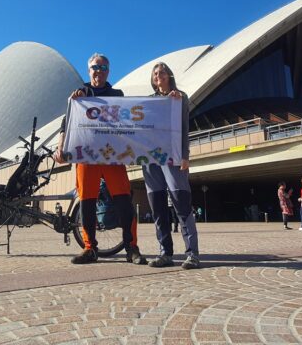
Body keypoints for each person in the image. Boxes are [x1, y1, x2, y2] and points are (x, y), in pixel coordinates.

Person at [55, 53, 147, 265]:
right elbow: (65, 124)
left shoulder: (117, 94)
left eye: (103, 67)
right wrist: (60, 149)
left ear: (108, 70)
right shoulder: (80, 95)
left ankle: (131, 247)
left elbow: (128, 124)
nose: (99, 71)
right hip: (87, 159)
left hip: (112, 157)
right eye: (95, 67)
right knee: (87, 203)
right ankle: (90, 248)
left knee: (124, 202)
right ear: (89, 71)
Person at [141, 62, 200, 269]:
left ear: (169, 75)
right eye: (155, 73)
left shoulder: (179, 98)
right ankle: (165, 253)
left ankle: (193, 254)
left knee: (181, 202)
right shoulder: (148, 102)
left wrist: (185, 155)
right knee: (157, 206)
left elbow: (184, 128)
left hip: (173, 157)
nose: (159, 76)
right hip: (150, 160)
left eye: (162, 72)